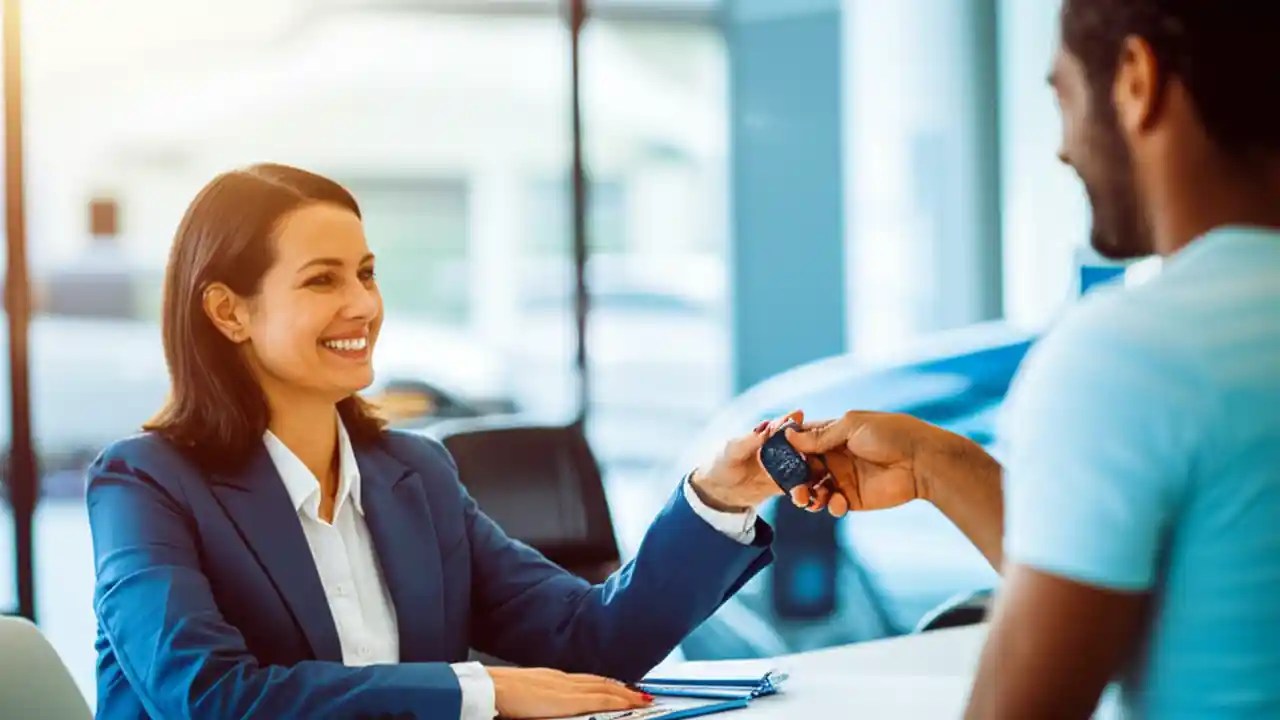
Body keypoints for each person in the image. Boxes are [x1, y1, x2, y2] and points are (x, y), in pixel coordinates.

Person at [86, 164, 791, 720]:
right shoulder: (146, 484)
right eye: (321, 279)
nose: (362, 304)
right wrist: (481, 692)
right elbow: (210, 699)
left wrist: (717, 498)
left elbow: (593, 642)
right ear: (227, 311)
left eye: (365, 272)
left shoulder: (412, 473)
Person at [788, 1, 1280, 717]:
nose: (1063, 148)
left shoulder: (1135, 353)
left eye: (1064, 96)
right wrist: (939, 467)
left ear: (1137, 80)